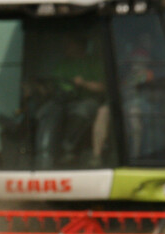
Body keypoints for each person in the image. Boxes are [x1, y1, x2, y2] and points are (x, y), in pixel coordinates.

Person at [32, 34, 108, 168]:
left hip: (86, 100)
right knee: (47, 111)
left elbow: (103, 87)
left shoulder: (94, 63)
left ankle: (67, 148)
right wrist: (41, 88)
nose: (65, 48)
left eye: (69, 44)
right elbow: (53, 87)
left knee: (81, 111)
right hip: (62, 101)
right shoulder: (63, 64)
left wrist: (84, 84)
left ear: (80, 46)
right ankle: (44, 155)